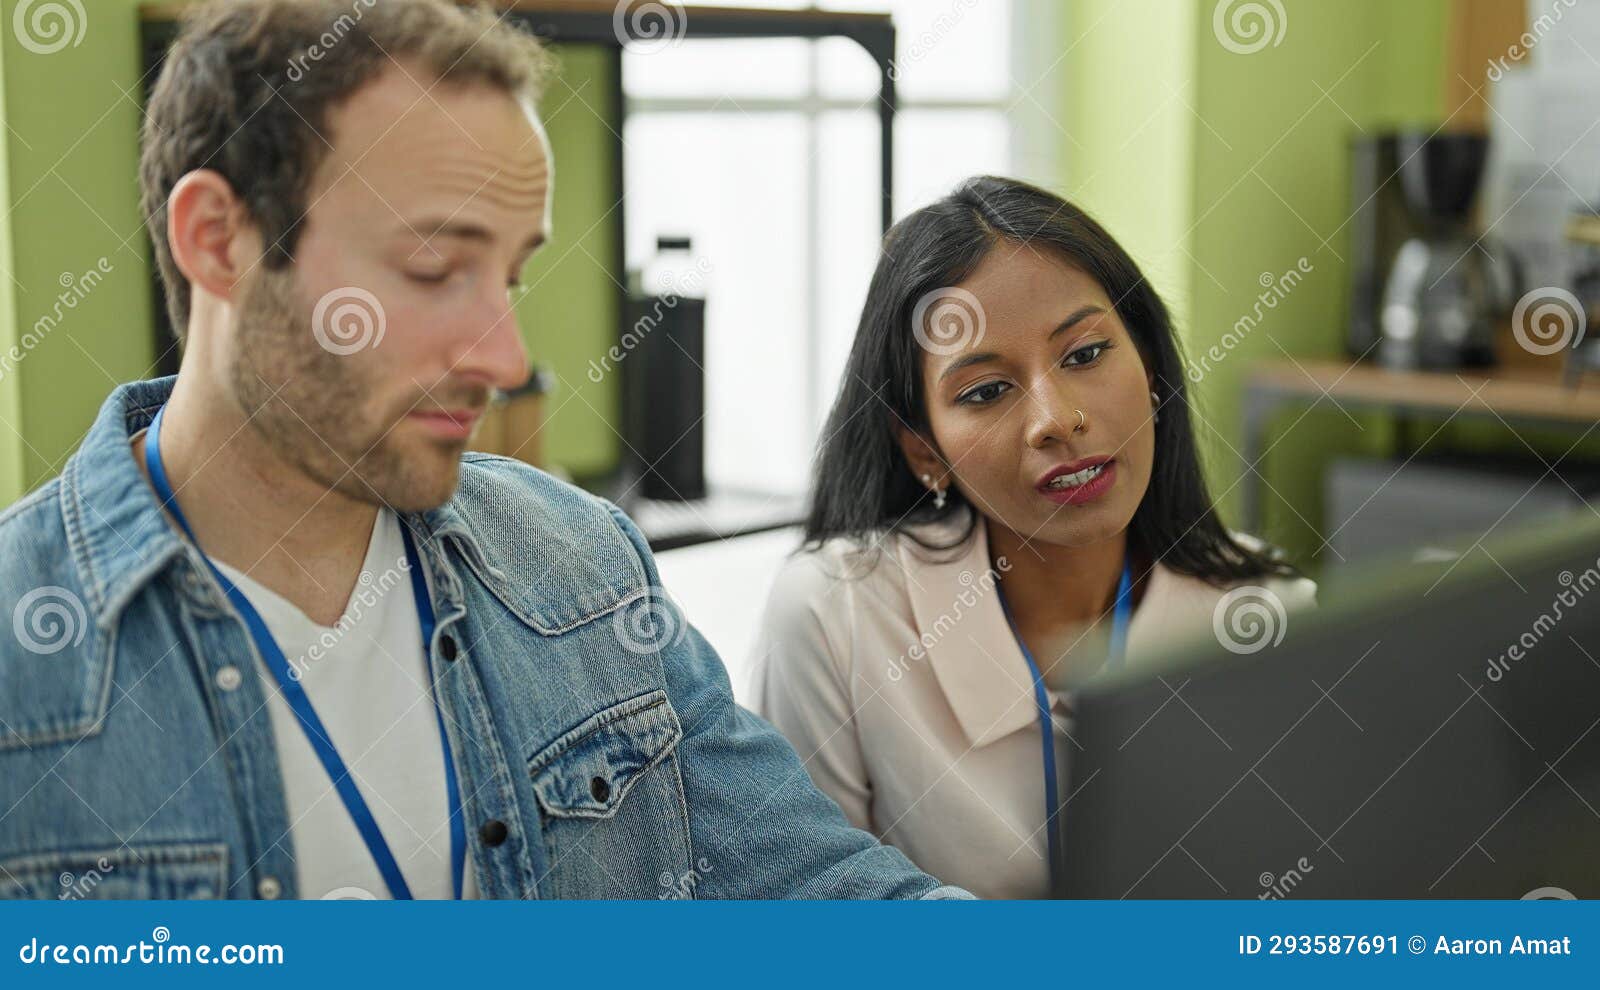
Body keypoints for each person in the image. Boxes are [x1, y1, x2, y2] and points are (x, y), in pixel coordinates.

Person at [0, 0, 964, 901]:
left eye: (510, 274)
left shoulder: (584, 568)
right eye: (433, 268)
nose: (504, 357)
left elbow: (829, 897)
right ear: (219, 241)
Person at [751, 176, 1316, 899]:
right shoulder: (835, 616)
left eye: (1083, 354)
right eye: (985, 391)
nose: (1056, 419)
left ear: (1149, 367)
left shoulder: (1271, 616)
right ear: (924, 449)